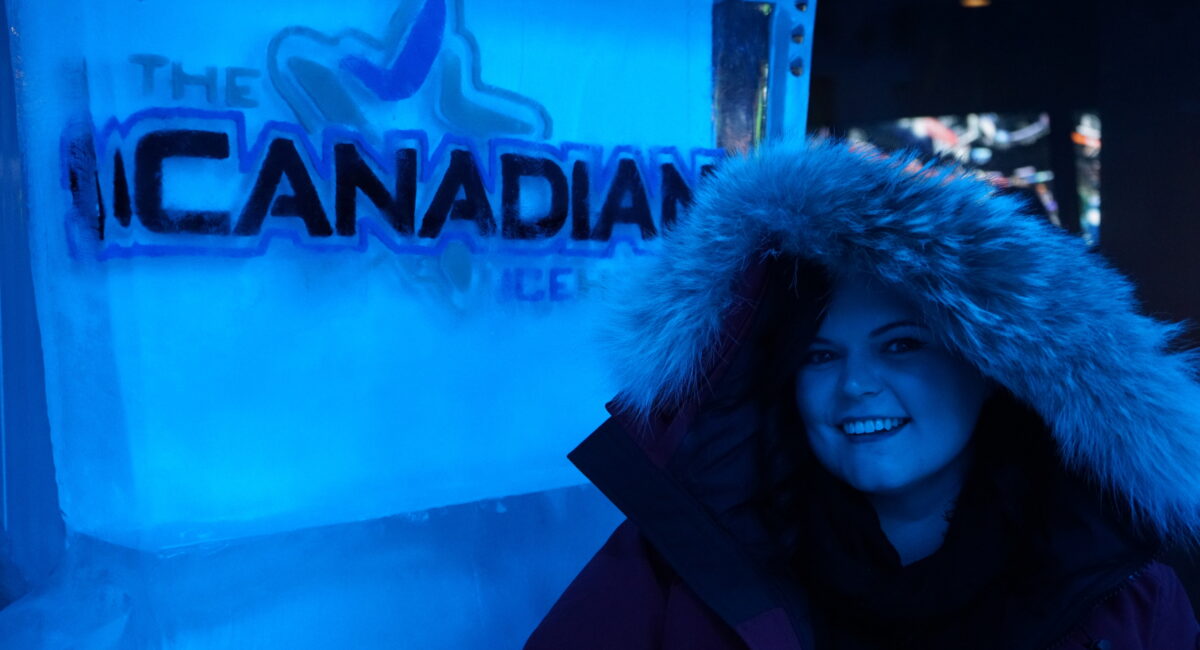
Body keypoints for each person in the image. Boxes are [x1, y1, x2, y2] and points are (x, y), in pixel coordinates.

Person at [525, 140, 1200, 649]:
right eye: (818, 355)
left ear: (993, 367)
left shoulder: (1121, 590)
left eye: (902, 343)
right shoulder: (679, 561)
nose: (854, 384)